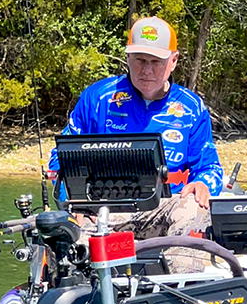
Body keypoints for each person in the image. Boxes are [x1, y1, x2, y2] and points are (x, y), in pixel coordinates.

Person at [49, 17, 223, 253]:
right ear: (128, 58)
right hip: (101, 210)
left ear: (173, 61)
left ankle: (181, 275)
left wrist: (203, 183)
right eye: (140, 60)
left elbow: (210, 168)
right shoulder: (97, 98)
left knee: (194, 208)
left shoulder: (192, 108)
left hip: (165, 207)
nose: (147, 70)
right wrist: (73, 203)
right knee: (65, 241)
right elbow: (59, 159)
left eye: (156, 62)